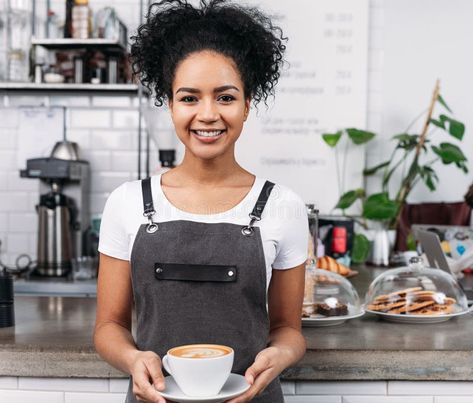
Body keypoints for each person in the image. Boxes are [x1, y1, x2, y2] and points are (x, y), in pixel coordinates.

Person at [94, 1, 309, 402]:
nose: (207, 114)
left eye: (225, 98)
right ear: (170, 104)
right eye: (189, 98)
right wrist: (131, 359)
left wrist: (280, 353)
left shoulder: (283, 206)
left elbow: (288, 329)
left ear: (247, 105)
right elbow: (109, 325)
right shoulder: (127, 203)